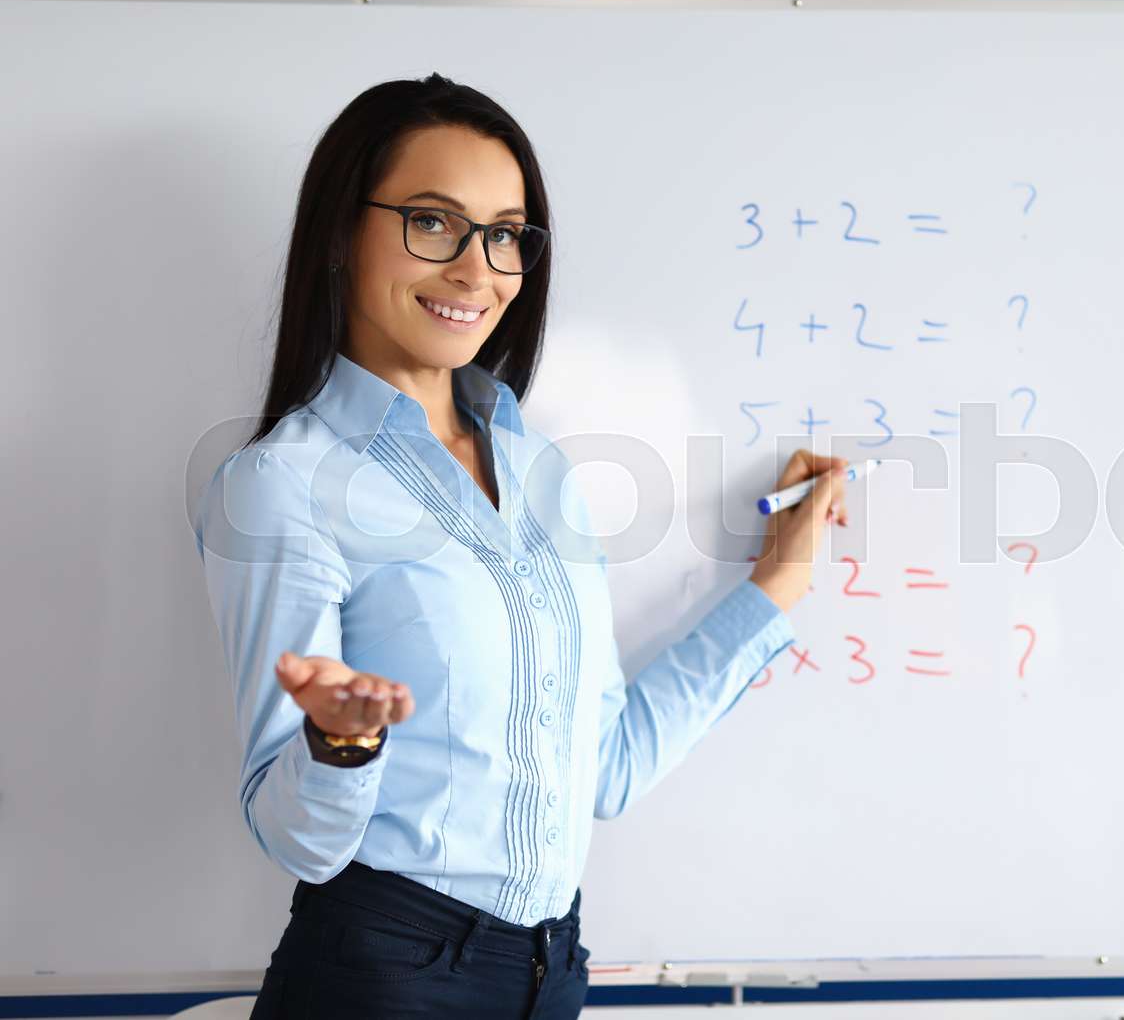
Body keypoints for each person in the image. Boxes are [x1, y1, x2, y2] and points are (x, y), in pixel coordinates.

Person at [192, 73, 847, 1019]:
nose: (477, 269)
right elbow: (296, 837)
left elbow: (609, 766)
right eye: (433, 222)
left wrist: (776, 587)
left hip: (552, 972)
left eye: (505, 234)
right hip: (384, 980)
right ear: (341, 232)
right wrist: (343, 741)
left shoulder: (540, 470)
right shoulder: (282, 485)